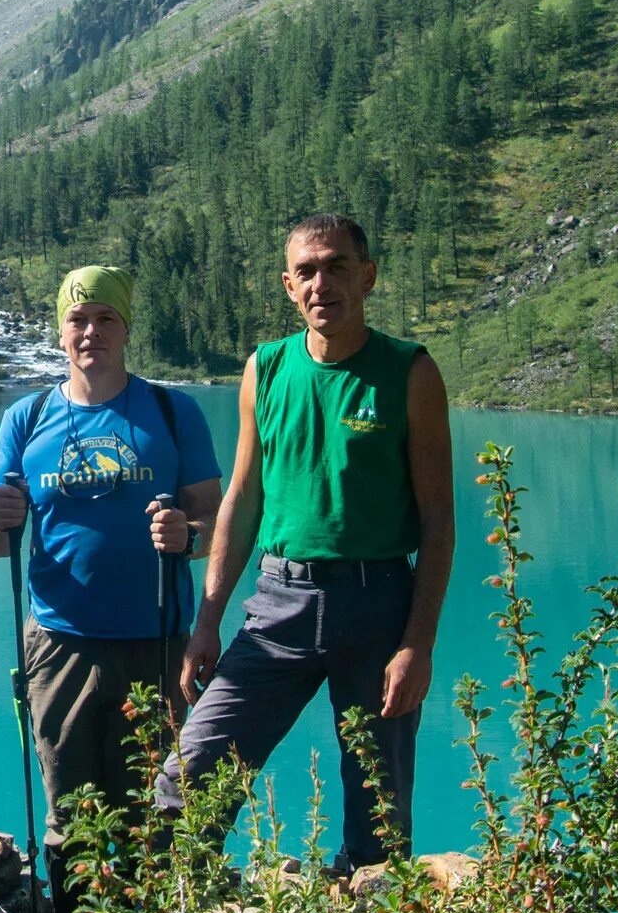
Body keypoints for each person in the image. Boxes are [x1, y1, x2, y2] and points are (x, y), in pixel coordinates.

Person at [160, 216, 456, 867]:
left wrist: (418, 645)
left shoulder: (409, 373)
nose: (324, 283)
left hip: (378, 602)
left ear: (367, 276)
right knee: (186, 783)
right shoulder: (265, 370)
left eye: (338, 266)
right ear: (289, 285)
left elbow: (438, 521)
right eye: (309, 271)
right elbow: (240, 501)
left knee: (379, 819)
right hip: (278, 604)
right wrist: (207, 622)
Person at [0, 265, 222, 908]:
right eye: (78, 320)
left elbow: (213, 517)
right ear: (61, 333)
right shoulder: (26, 418)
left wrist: (186, 534)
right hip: (59, 643)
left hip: (157, 640)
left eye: (105, 319)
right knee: (70, 809)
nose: (91, 332)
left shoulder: (173, 411)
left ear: (125, 329)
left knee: (158, 805)